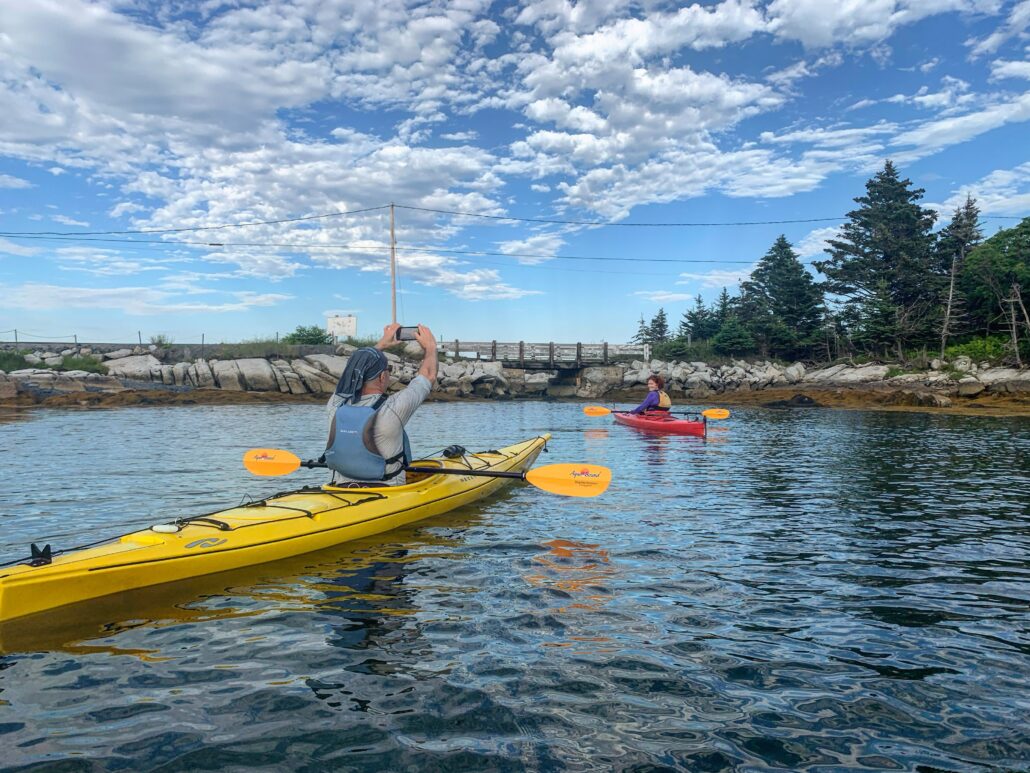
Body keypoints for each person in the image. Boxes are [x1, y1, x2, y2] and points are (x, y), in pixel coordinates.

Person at [323, 322, 437, 486]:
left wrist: (382, 344)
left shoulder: (335, 404)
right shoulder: (393, 408)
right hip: (387, 490)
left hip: (340, 487)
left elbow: (353, 370)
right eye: (388, 369)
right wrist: (431, 347)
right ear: (382, 377)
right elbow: (428, 375)